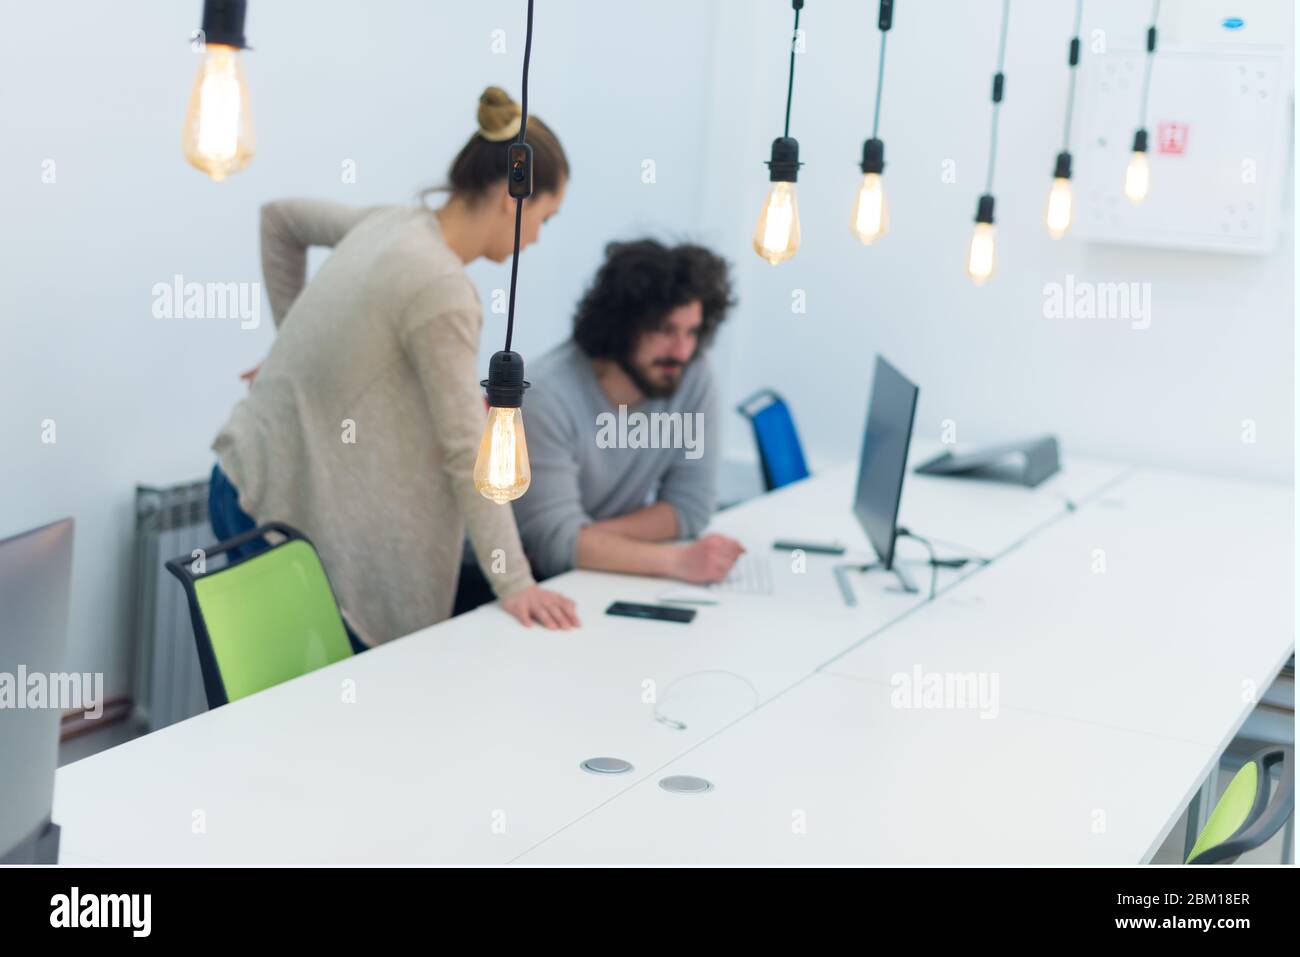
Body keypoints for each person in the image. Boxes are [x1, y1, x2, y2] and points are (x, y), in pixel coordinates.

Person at [209, 87, 581, 649]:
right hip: (272, 509)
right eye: (545, 219)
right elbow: (467, 450)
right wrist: (516, 581)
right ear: (514, 198)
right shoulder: (441, 290)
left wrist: (298, 343)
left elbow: (279, 219)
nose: (536, 237)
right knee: (309, 712)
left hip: (241, 477)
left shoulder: (392, 224)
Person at [510, 239, 745, 585]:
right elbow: (551, 551)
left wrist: (587, 539)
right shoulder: (544, 395)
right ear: (621, 326)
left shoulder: (691, 376)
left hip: (595, 573)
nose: (681, 351)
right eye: (665, 331)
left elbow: (691, 508)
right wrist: (679, 562)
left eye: (692, 332)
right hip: (515, 586)